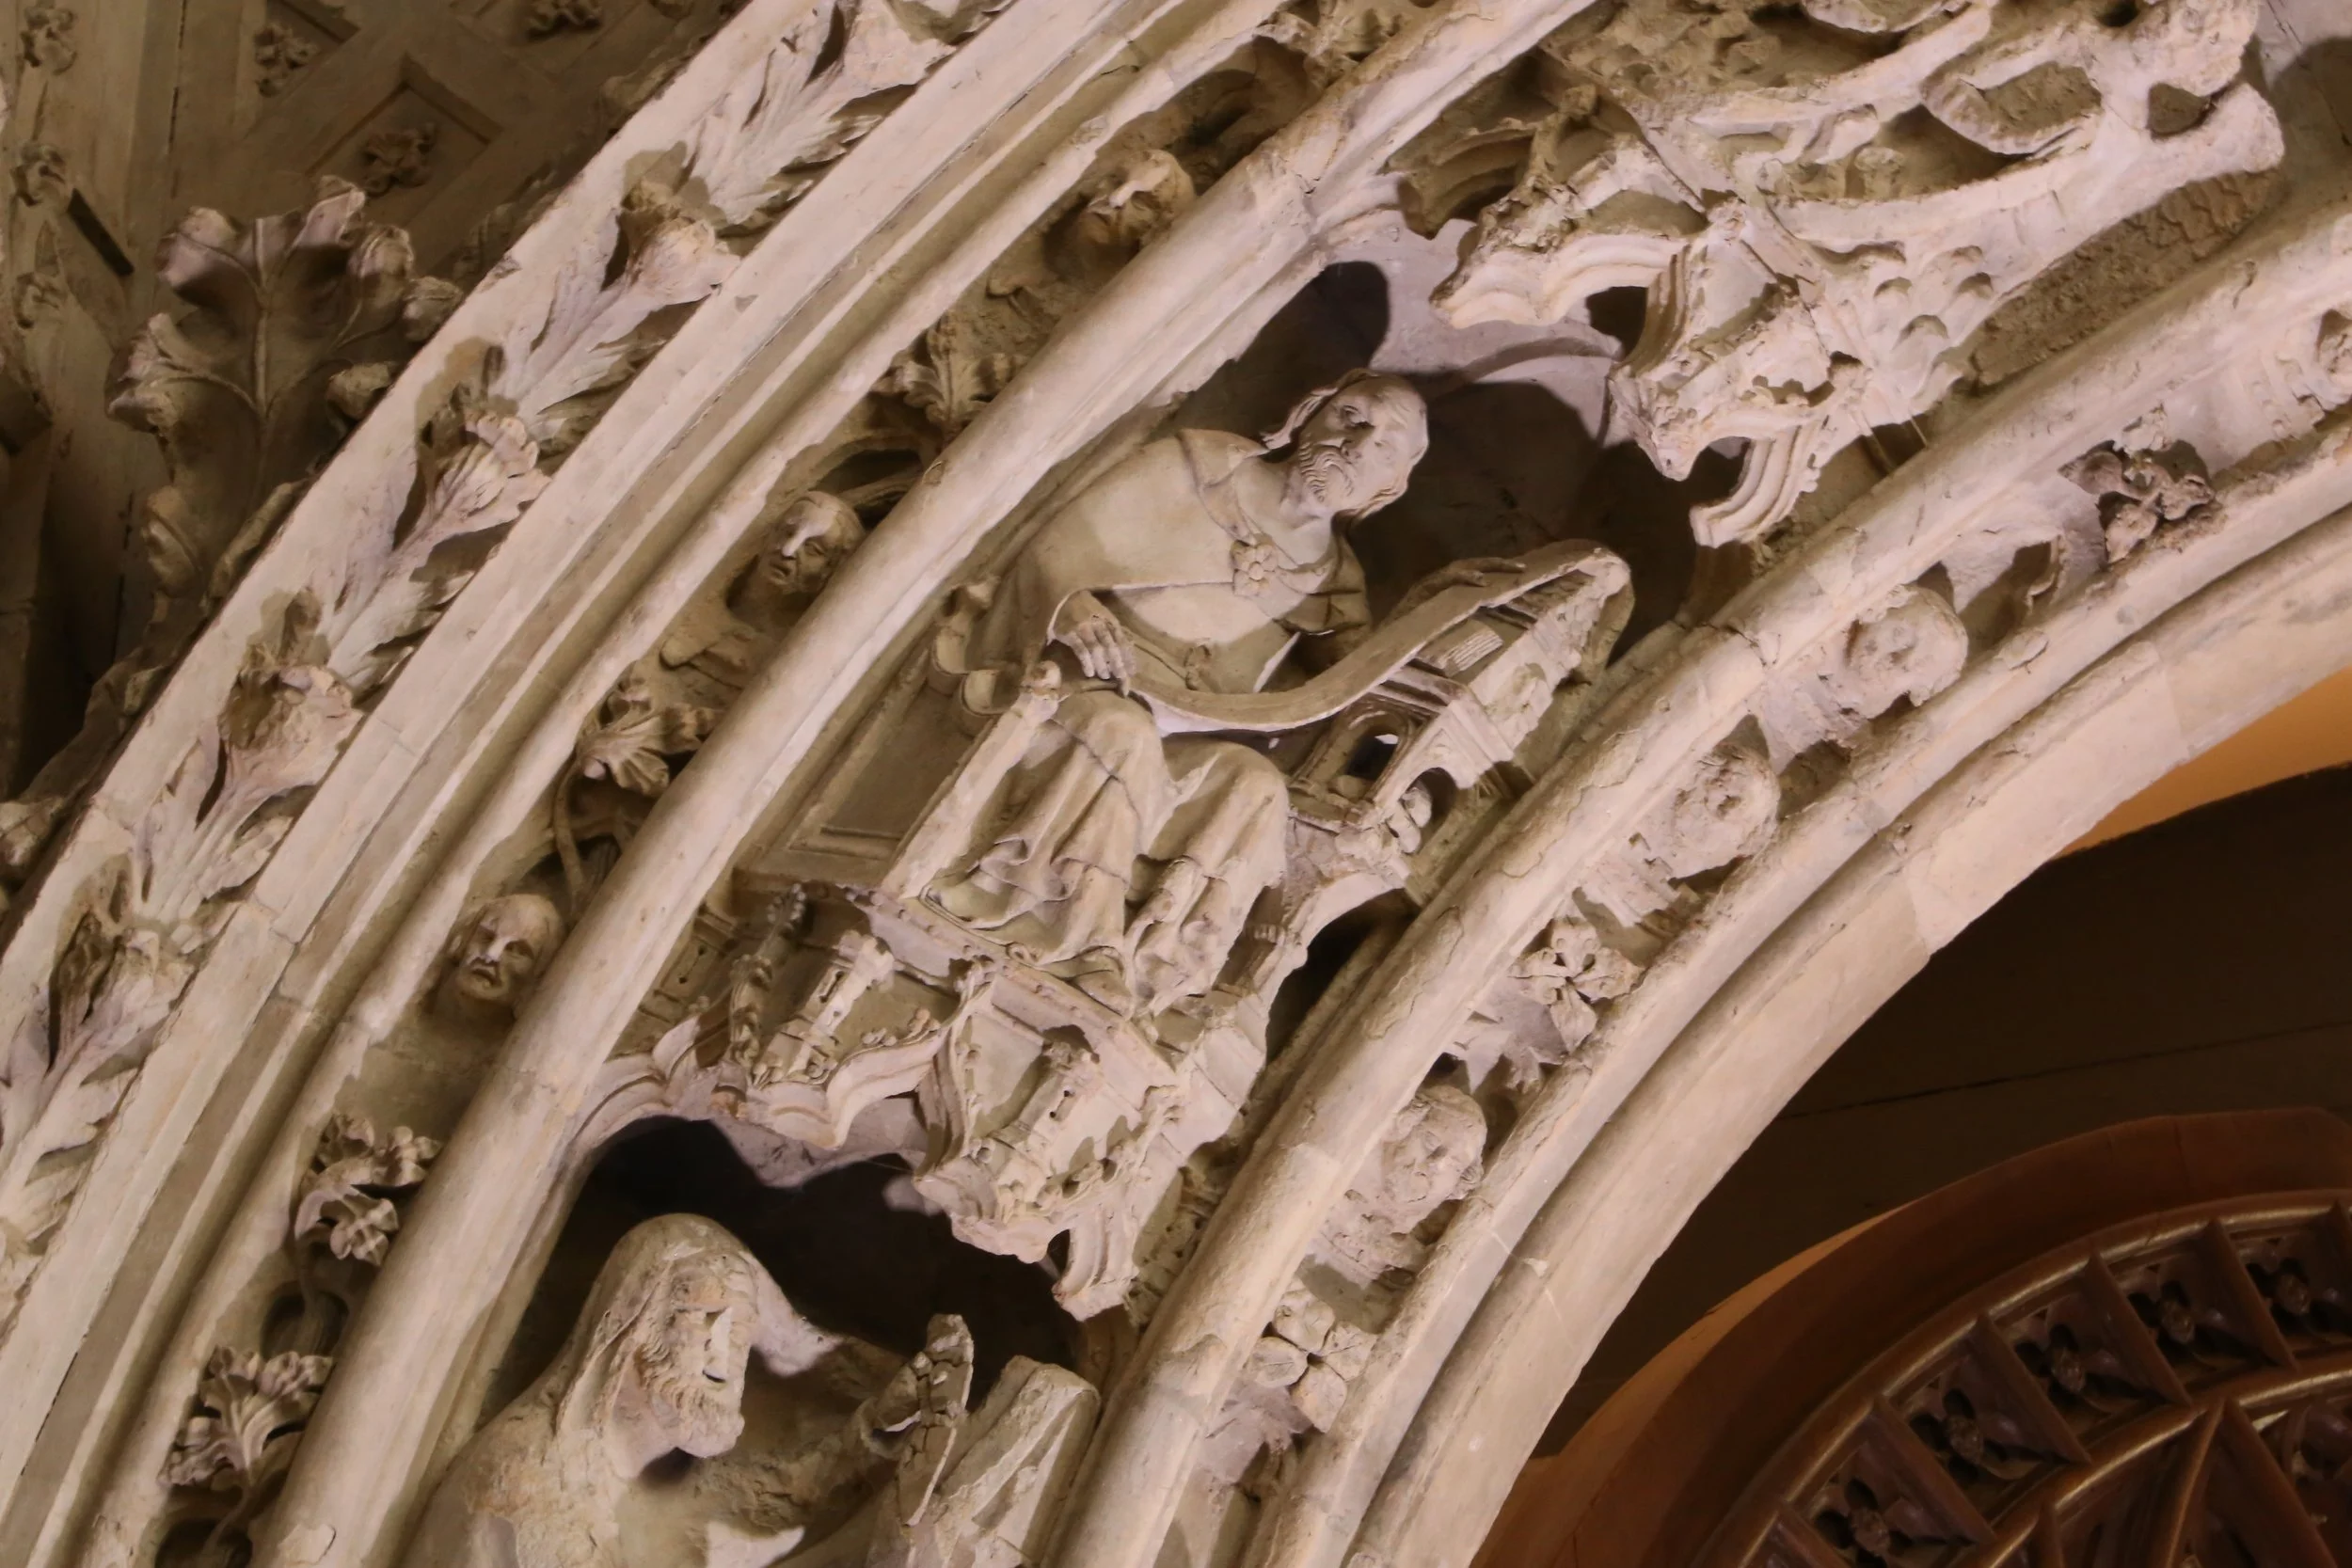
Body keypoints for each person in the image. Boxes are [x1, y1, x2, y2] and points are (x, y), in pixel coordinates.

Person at [931, 371, 1428, 1013]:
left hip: (1186, 729)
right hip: (1078, 686)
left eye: (1386, 446)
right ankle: (1080, 939)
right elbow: (1053, 548)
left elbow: (1350, 692)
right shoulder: (1199, 467)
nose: (1357, 443)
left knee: (1254, 786)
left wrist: (1398, 755)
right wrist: (1074, 606)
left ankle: (1158, 969)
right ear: (1309, 411)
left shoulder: (1335, 583)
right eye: (1351, 415)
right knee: (1124, 732)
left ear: (1390, 485)